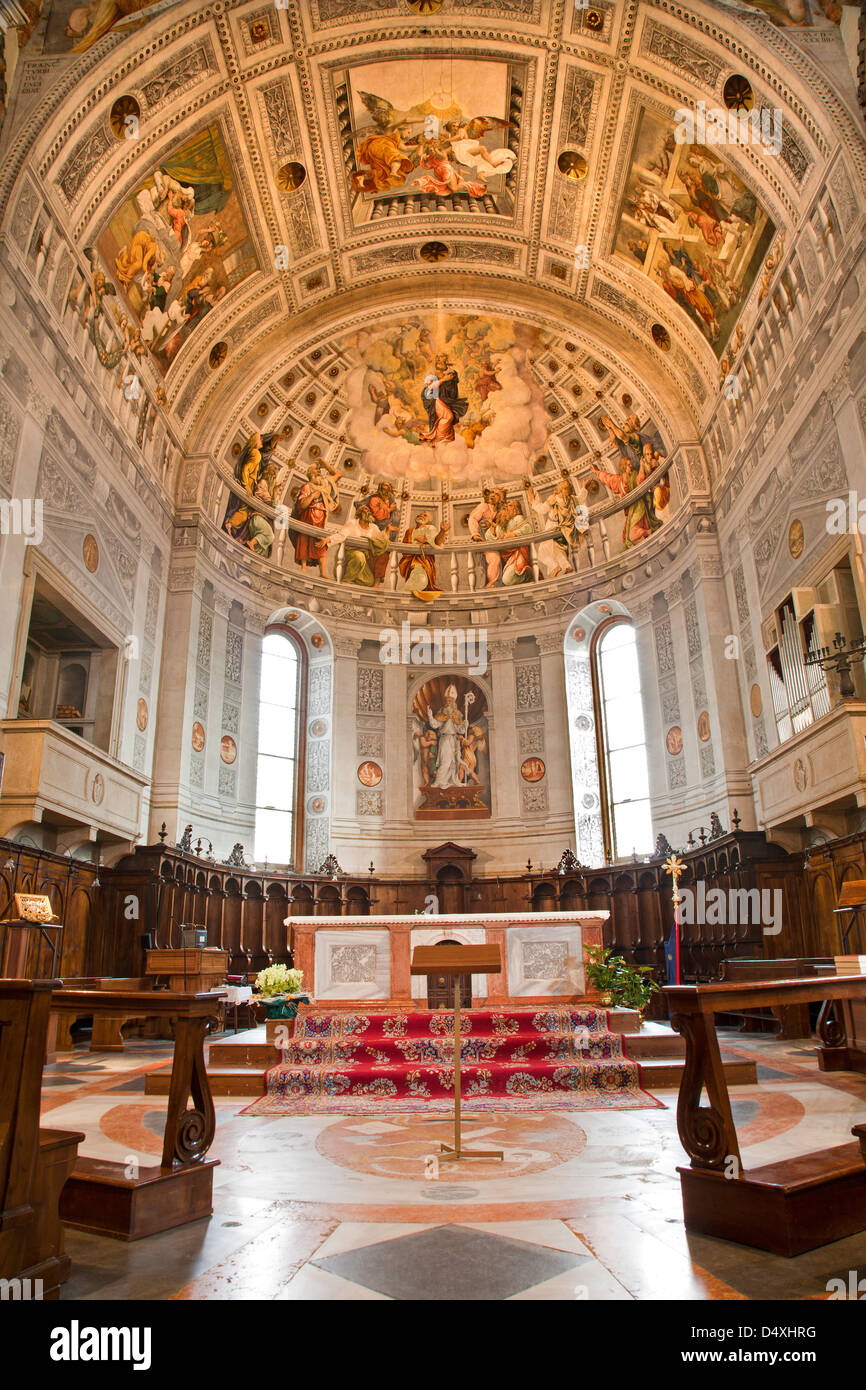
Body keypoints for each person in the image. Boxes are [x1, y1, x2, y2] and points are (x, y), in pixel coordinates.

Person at [290, 461, 342, 577]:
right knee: (304, 540)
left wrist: (326, 465)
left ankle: (323, 572)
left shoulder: (325, 485)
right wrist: (313, 495)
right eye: (316, 469)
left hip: (320, 518)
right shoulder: (307, 486)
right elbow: (302, 505)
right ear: (310, 473)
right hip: (308, 517)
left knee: (320, 543)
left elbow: (338, 474)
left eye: (319, 470)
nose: (319, 471)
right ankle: (303, 568)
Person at [419, 355, 469, 445]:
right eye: (439, 361)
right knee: (448, 416)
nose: (439, 362)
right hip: (435, 401)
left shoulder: (449, 376)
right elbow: (429, 390)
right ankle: (437, 438)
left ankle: (439, 438)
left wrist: (445, 378)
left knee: (447, 419)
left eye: (442, 361)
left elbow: (452, 382)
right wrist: (443, 379)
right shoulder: (433, 378)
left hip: (441, 400)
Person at [398, 510, 448, 599]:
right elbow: (403, 550)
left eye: (425, 515)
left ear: (428, 521)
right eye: (420, 514)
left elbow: (437, 542)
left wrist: (442, 532)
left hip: (423, 561)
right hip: (409, 563)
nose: (421, 515)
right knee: (414, 581)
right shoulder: (409, 531)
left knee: (420, 578)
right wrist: (415, 538)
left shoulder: (430, 528)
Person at [467, 487, 505, 587]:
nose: (492, 495)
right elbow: (473, 518)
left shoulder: (501, 511)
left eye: (497, 494)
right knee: (494, 558)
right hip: (483, 540)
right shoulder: (484, 506)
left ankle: (496, 583)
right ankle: (491, 584)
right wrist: (475, 534)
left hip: (496, 542)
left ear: (501, 499)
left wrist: (494, 525)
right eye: (492, 492)